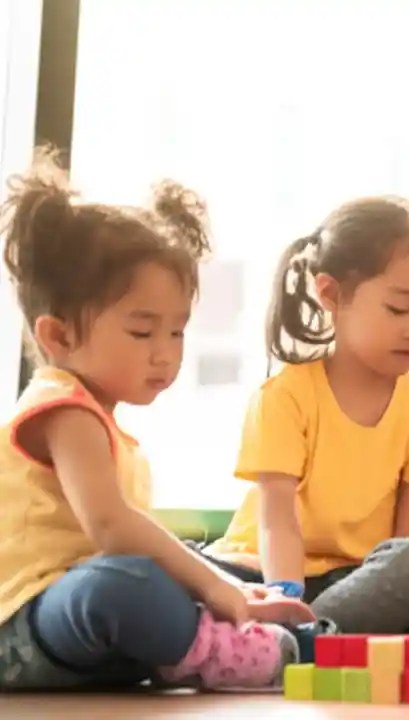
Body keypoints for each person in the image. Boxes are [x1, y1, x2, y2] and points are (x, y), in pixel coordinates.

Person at [0, 149, 309, 691]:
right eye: (143, 333)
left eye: (178, 331)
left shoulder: (102, 420)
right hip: (22, 631)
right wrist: (210, 583)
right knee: (127, 583)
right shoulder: (61, 406)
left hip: (81, 626)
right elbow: (113, 527)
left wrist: (221, 581)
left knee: (213, 570)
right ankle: (221, 649)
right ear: (58, 336)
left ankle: (276, 636)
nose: (166, 354)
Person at [202, 197, 409, 634]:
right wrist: (284, 597)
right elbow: (278, 520)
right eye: (398, 308)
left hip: (354, 581)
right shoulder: (286, 396)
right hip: (262, 574)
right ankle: (296, 636)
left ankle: (298, 642)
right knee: (178, 573)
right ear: (330, 294)